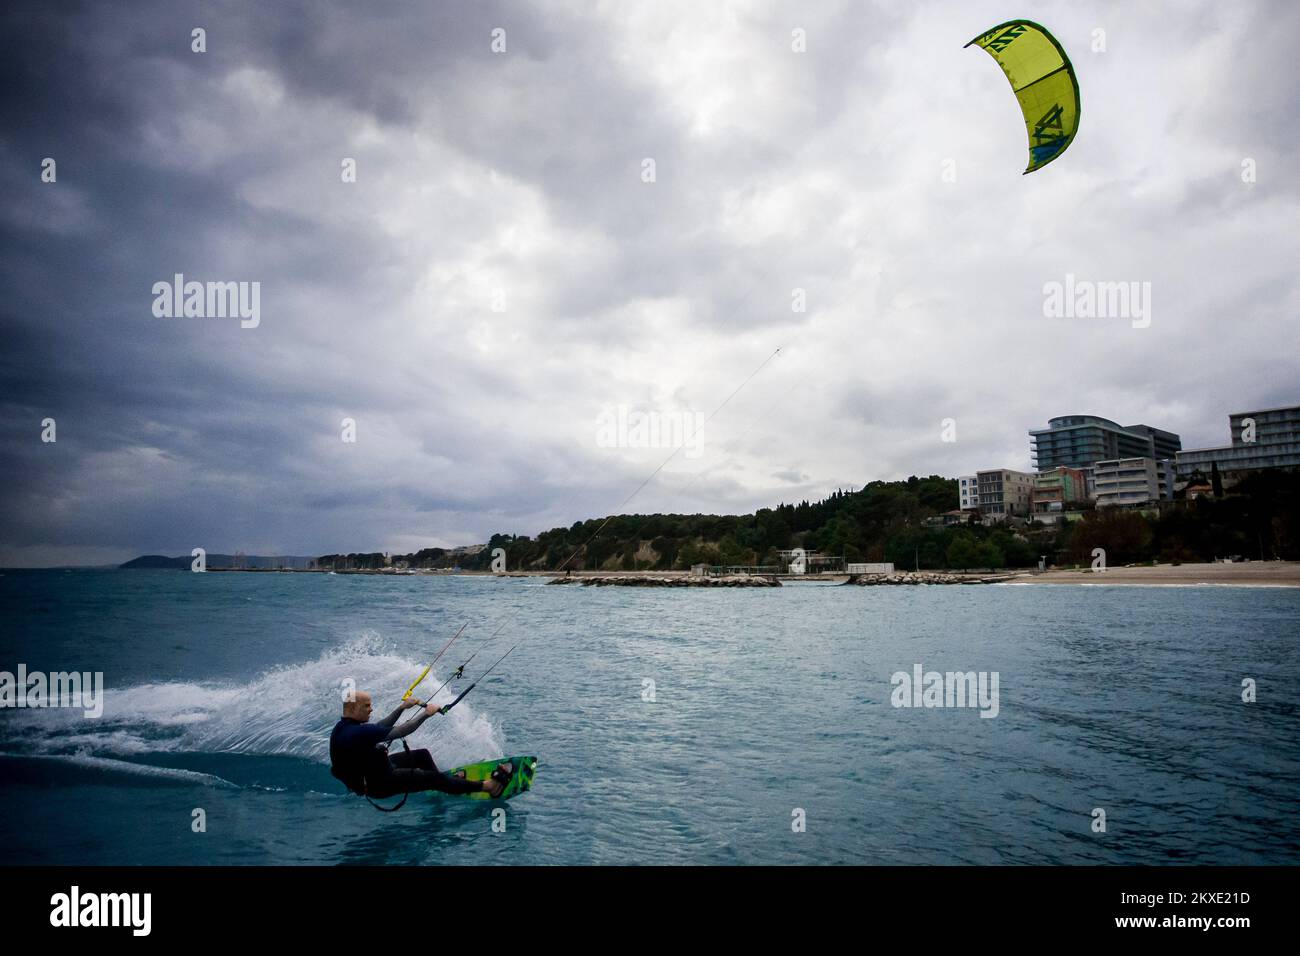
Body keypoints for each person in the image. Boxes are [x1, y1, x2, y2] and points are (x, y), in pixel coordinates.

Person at [329, 690, 511, 800]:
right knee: (433, 778)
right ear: (353, 709)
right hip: (381, 783)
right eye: (367, 706)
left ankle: (443, 785)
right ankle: (489, 787)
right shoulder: (356, 732)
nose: (371, 709)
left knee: (421, 755)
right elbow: (403, 731)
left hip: (374, 772)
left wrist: (402, 708)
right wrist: (426, 714)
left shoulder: (344, 727)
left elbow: (380, 727)